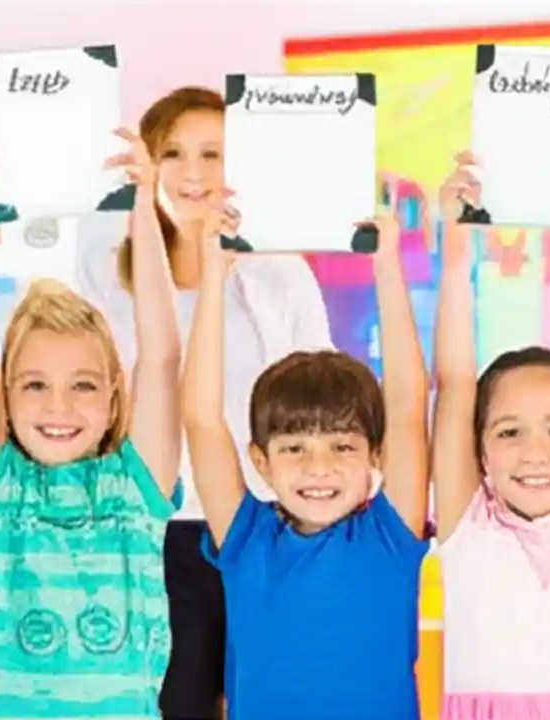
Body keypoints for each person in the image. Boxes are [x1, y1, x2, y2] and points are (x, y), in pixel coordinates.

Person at [76, 86, 334, 720]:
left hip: (267, 525)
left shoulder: (282, 272)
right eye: (173, 153)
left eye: (213, 154)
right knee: (175, 703)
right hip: (154, 535)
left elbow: (326, 400)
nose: (193, 174)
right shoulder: (109, 271)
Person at [0, 128, 183, 720]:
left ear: (111, 397)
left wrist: (145, 208)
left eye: (82, 385)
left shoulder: (134, 489)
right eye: (35, 385)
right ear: (5, 397)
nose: (59, 407)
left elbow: (161, 354)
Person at [181, 188, 429, 720]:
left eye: (342, 445)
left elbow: (407, 406)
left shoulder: (390, 538)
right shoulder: (248, 541)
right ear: (261, 460)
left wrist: (386, 265)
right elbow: (201, 420)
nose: (320, 466)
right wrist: (214, 277)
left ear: (375, 456)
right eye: (295, 447)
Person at [432, 153, 550, 718]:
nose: (536, 453)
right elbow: (454, 383)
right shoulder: (467, 525)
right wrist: (455, 245)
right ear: (478, 451)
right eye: (508, 431)